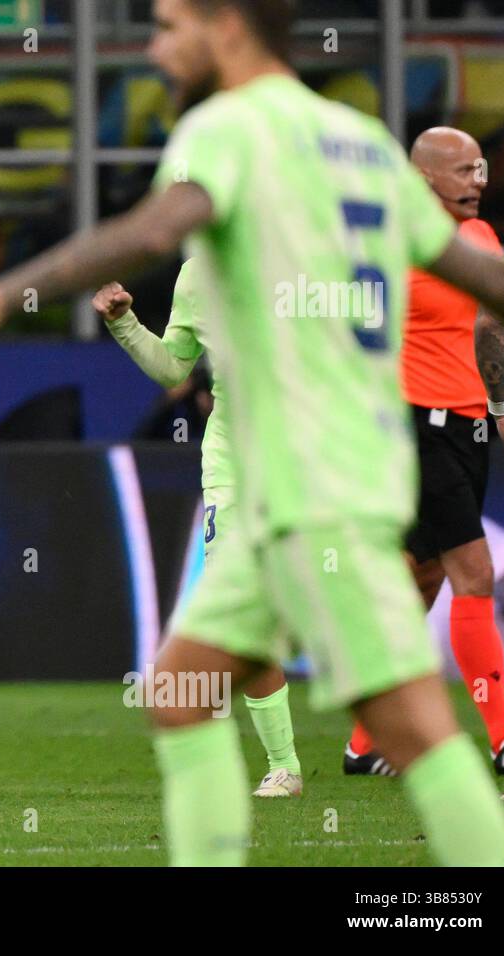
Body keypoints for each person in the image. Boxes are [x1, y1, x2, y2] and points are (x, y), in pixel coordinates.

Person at [0, 0, 504, 865]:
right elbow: (488, 280)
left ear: (227, 24)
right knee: (181, 691)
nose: (157, 49)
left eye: (169, 26)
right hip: (316, 476)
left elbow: (154, 228)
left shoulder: (229, 126)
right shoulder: (357, 143)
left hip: (317, 489)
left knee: (413, 725)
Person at [345, 127, 504, 777]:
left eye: (482, 168)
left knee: (418, 582)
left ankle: (364, 741)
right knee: (473, 572)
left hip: (468, 426)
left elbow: (495, 337)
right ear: (424, 178)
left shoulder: (480, 240)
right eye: (465, 170)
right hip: (410, 425)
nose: (480, 179)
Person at [94, 259, 303, 798]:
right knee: (239, 611)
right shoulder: (198, 274)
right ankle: (283, 765)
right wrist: (125, 324)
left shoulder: (310, 249)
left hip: (309, 454)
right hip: (233, 462)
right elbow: (173, 368)